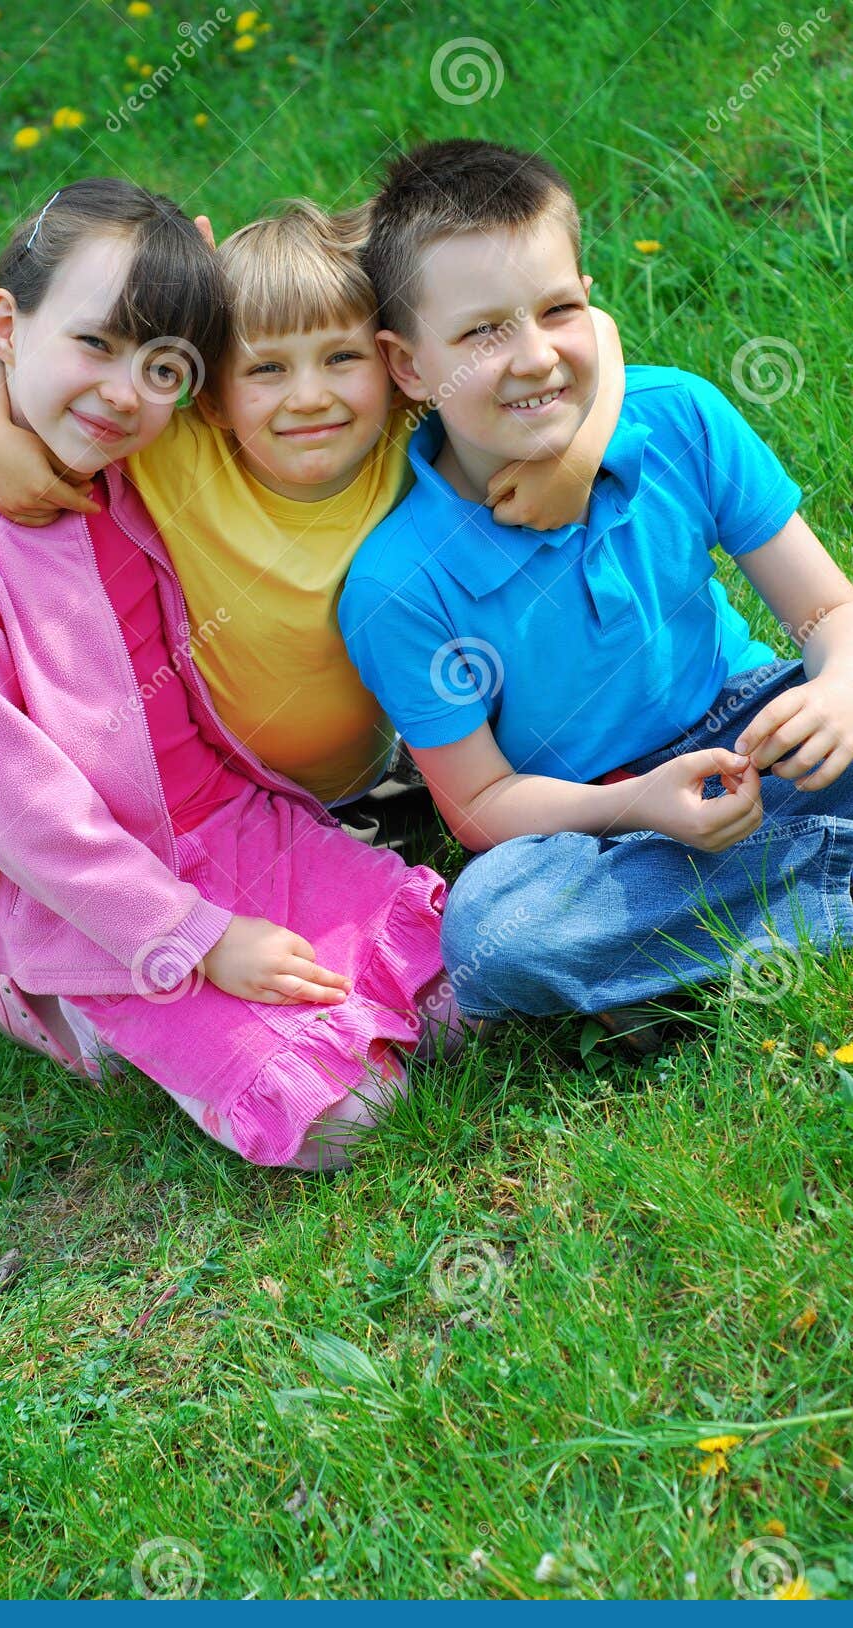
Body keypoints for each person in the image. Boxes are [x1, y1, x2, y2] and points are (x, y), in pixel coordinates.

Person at [0, 177, 457, 1173]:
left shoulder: (135, 464)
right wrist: (197, 937)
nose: (122, 393)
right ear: (5, 327)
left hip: (233, 818)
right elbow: (21, 816)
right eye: (95, 345)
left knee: (463, 990)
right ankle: (63, 1002)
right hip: (97, 900)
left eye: (158, 366)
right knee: (347, 1117)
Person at [339, 139, 853, 1037]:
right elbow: (482, 808)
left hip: (754, 738)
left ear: (590, 299)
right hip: (592, 827)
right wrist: (635, 805)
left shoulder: (679, 417)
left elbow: (829, 612)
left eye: (556, 310)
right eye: (482, 332)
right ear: (408, 365)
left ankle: (672, 961)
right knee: (496, 935)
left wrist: (839, 685)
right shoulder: (397, 585)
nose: (534, 357)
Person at [0, 200, 627, 812]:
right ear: (211, 397)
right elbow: (27, 349)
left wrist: (576, 458)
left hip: (397, 766)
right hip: (231, 795)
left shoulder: (405, 431)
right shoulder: (177, 450)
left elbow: (593, 323)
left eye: (341, 357)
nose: (309, 398)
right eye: (267, 369)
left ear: (396, 371)